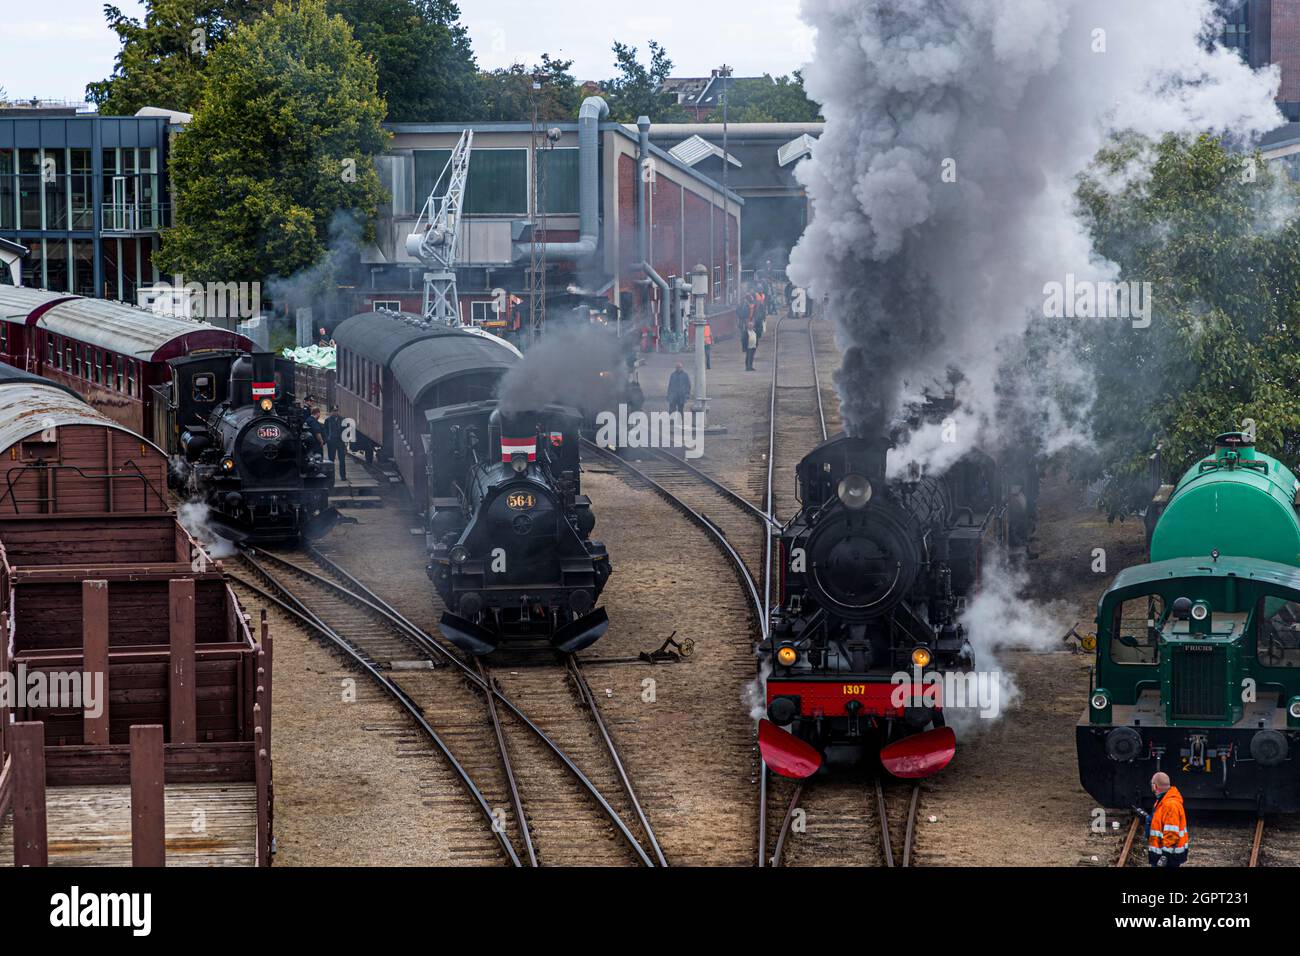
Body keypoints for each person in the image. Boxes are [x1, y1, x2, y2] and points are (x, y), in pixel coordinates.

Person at [1136, 772, 1188, 868]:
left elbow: (1171, 833)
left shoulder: (1170, 805)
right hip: (1161, 852)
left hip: (1168, 856)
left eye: (1152, 784)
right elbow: (1161, 823)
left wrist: (1165, 856)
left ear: (1155, 786)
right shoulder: (1161, 801)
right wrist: (1148, 818)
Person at [323, 406, 348, 481]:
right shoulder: (328, 420)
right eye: (334, 411)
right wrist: (327, 439)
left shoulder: (343, 420)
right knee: (331, 460)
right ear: (331, 411)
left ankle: (343, 476)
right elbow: (325, 430)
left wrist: (346, 442)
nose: (335, 412)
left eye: (336, 410)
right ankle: (330, 477)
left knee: (342, 460)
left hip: (340, 442)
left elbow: (346, 431)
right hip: (332, 442)